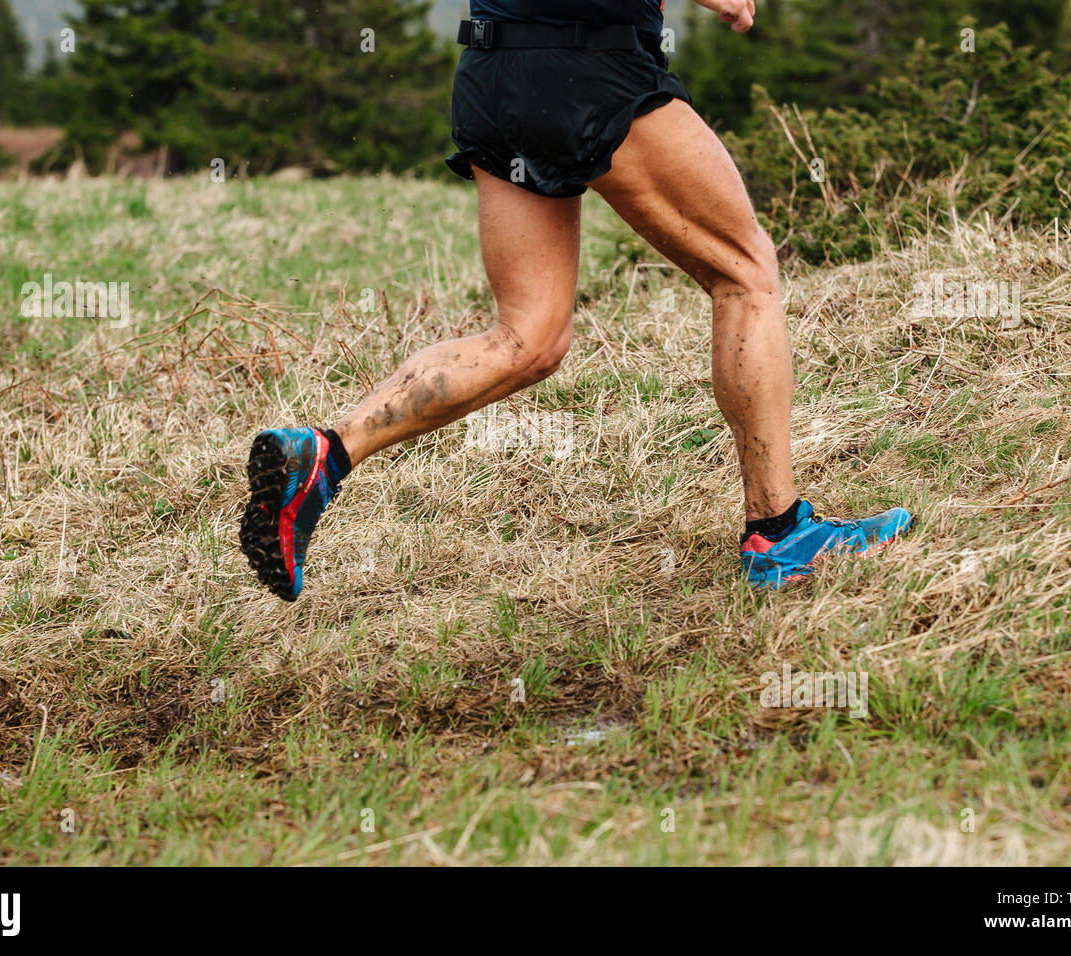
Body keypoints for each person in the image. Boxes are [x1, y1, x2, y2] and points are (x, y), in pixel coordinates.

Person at [239, 0, 914, 602]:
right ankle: (778, 532)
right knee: (745, 274)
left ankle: (325, 456)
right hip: (587, 67)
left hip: (494, 69)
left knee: (529, 339)